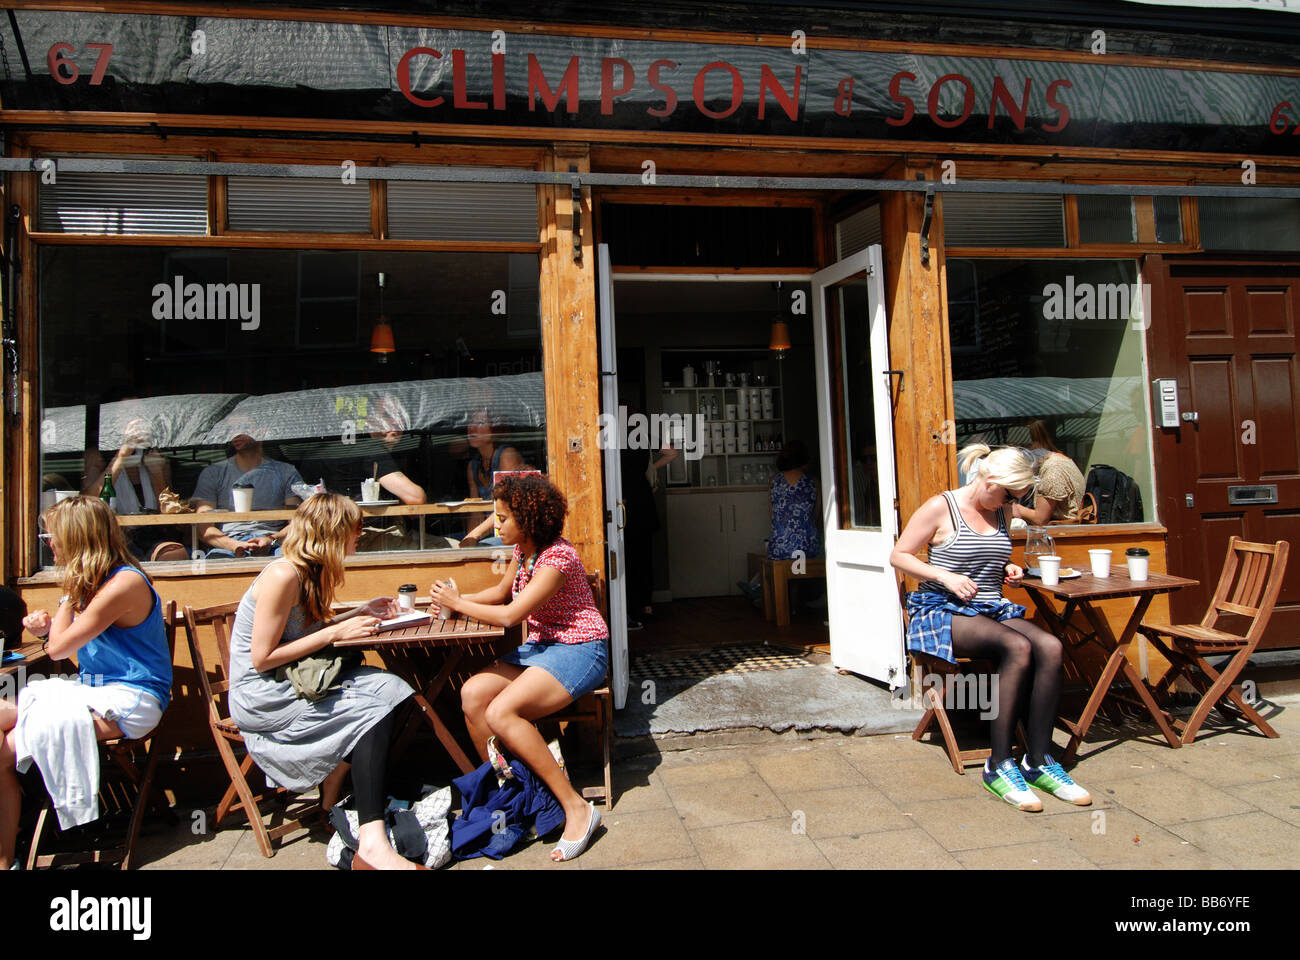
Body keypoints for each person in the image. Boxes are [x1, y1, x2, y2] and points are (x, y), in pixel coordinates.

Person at [889, 444, 1091, 812]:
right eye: (1006, 495)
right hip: (941, 609)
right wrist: (944, 576)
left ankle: (1039, 759)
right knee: (1017, 647)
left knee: (1050, 646)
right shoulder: (941, 507)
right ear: (988, 478)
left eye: (1013, 498)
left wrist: (1009, 569)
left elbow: (991, 557)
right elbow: (898, 555)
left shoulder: (1004, 508)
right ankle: (998, 764)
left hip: (989, 607)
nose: (1007, 505)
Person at [225, 493, 418, 870]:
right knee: (378, 702)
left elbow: (299, 635)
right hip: (265, 695)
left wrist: (358, 612)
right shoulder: (283, 574)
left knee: (390, 689)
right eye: (354, 528)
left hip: (291, 682)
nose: (360, 535)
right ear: (331, 532)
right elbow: (262, 657)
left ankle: (334, 798)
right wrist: (337, 631)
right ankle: (373, 843)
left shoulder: (308, 572)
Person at [430, 474, 608, 862]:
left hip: (581, 648)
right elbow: (499, 594)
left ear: (527, 521)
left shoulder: (558, 557)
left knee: (501, 711)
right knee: (473, 694)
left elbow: (511, 614)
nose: (496, 525)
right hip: (542, 649)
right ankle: (509, 791)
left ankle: (577, 808)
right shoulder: (521, 551)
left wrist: (458, 605)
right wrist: (452, 599)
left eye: (503, 518)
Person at [1, 496, 172, 869]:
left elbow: (60, 650)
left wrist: (65, 601)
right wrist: (57, 619)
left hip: (133, 699)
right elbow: (65, 645)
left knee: (6, 748)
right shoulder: (97, 584)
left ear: (77, 539)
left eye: (53, 536)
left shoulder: (122, 584)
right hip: (95, 691)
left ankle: (6, 861)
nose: (49, 543)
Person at [81, 413, 188, 562]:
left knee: (173, 553)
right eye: (128, 417)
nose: (136, 427)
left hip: (153, 535)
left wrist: (157, 474)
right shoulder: (99, 455)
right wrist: (122, 455)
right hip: (113, 535)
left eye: (139, 419)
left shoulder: (154, 454)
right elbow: (87, 502)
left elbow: (170, 510)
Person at [192, 421, 305, 558]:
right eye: (231, 428)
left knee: (291, 563)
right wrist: (233, 545)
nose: (235, 433)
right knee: (216, 564)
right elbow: (202, 526)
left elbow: (296, 521)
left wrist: (271, 539)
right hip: (227, 543)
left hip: (276, 544)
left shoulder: (286, 472)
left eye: (243, 427)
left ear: (263, 430)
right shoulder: (213, 473)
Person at [737, 440, 822, 606]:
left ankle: (761, 590)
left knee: (776, 550)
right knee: (801, 554)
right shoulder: (813, 482)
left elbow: (773, 516)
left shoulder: (774, 481)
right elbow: (817, 516)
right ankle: (795, 602)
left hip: (780, 546)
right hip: (806, 547)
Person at [459, 412, 526, 547]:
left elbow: (506, 504)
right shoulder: (473, 466)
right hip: (487, 533)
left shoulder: (507, 455)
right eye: (470, 423)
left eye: (481, 423)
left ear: (496, 429)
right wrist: (468, 540)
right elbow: (475, 510)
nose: (471, 428)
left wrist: (474, 536)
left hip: (510, 532)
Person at [1015, 420, 1085, 524]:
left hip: (1062, 533)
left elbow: (1040, 518)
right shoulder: (1062, 460)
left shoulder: (1053, 470)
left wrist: (1012, 507)